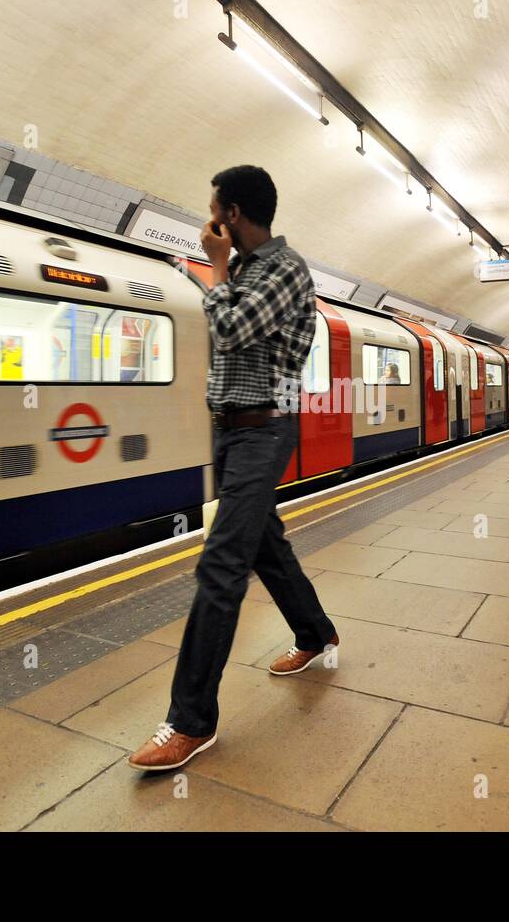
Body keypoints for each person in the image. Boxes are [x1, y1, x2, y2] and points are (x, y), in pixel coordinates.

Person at [128, 165, 339, 771]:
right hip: (231, 430)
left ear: (235, 215)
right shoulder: (247, 269)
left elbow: (230, 326)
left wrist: (215, 267)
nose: (209, 221)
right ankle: (315, 632)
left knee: (220, 566)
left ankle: (190, 721)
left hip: (263, 429)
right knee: (263, 543)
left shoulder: (282, 269)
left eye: (215, 210)